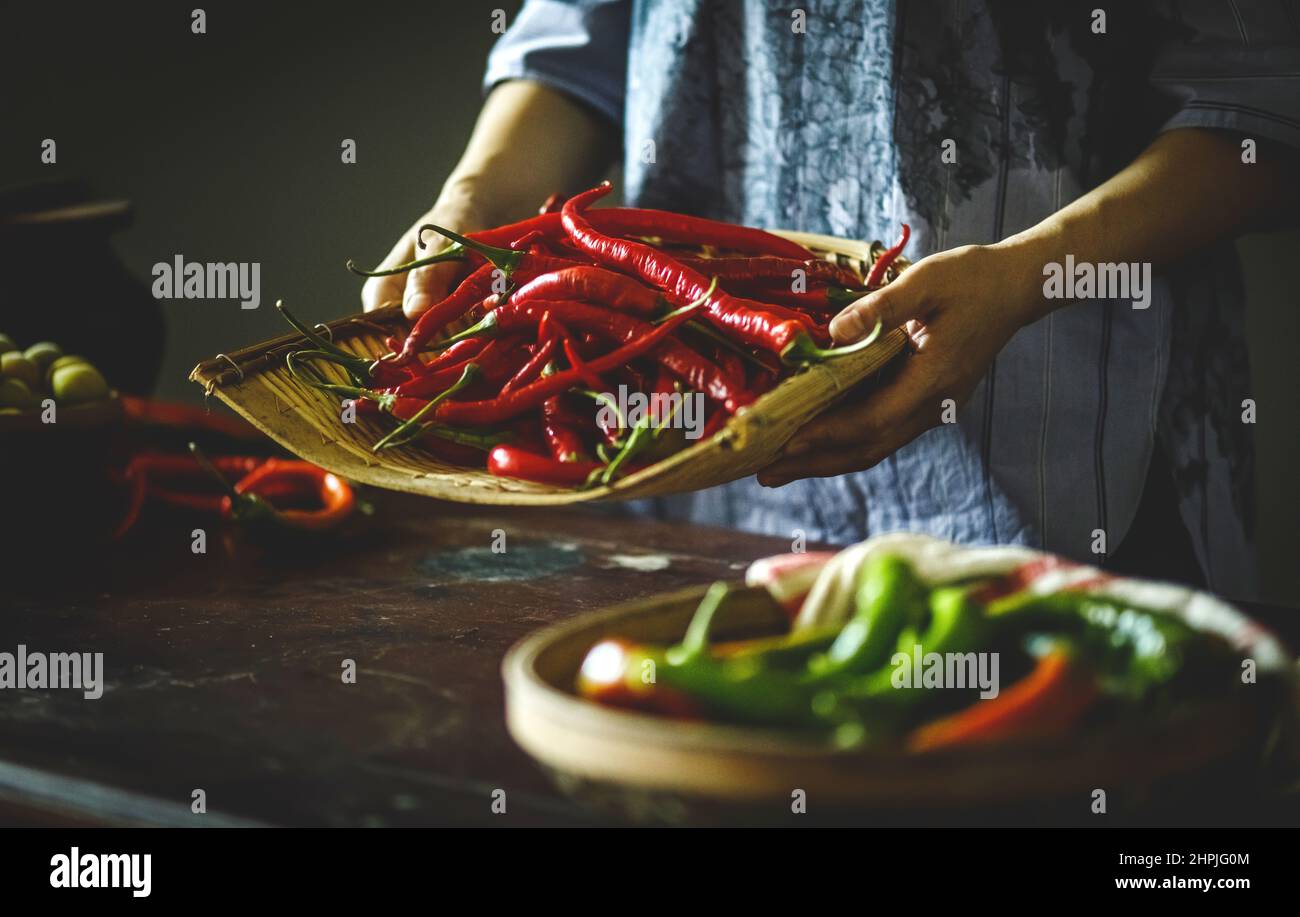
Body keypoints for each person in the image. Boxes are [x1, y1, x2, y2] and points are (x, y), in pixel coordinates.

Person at [362, 1, 1300, 597]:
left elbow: (1264, 108)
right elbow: (578, 42)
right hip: (694, 469)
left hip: (1061, 433)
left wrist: (1027, 275)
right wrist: (472, 202)